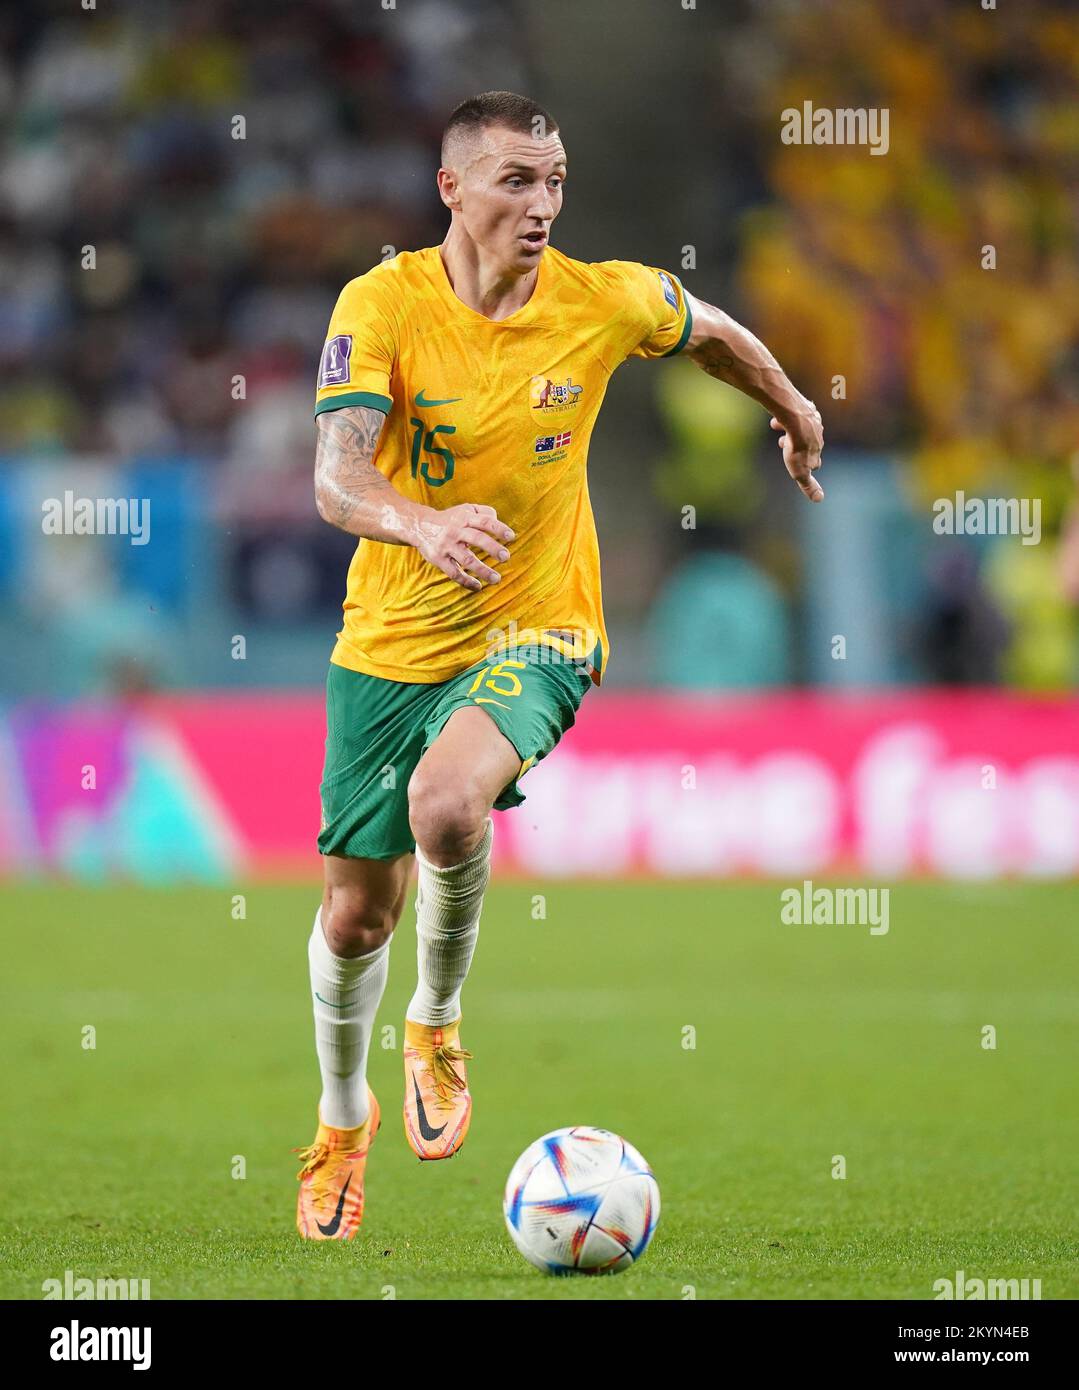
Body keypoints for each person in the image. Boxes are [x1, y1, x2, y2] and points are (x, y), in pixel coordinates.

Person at [295, 90, 824, 1239]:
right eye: (515, 182)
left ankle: (436, 1023)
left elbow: (712, 330)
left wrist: (788, 403)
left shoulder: (601, 299)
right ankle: (343, 1119)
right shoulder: (378, 305)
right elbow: (334, 476)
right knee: (352, 917)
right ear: (452, 188)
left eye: (555, 182)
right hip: (388, 637)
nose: (542, 205)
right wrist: (420, 525)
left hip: (539, 627)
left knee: (448, 805)